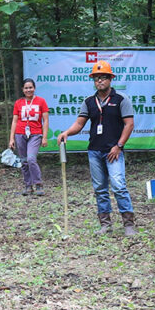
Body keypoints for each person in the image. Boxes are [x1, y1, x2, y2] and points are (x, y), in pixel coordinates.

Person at [55, 61, 137, 236]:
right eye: (96, 78)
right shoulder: (89, 102)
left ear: (110, 79)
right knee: (100, 188)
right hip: (94, 151)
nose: (100, 81)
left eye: (103, 77)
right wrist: (67, 132)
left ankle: (128, 224)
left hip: (114, 151)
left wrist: (119, 146)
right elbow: (79, 124)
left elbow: (129, 124)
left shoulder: (121, 99)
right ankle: (105, 224)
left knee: (118, 186)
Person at [8, 79, 49, 196]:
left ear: (34, 88)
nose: (28, 90)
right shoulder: (18, 103)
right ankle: (28, 186)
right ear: (22, 89)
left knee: (31, 159)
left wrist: (44, 137)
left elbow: (45, 120)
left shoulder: (41, 101)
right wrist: (11, 138)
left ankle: (38, 184)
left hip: (35, 134)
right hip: (20, 134)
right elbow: (14, 121)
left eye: (30, 87)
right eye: (26, 88)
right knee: (24, 161)